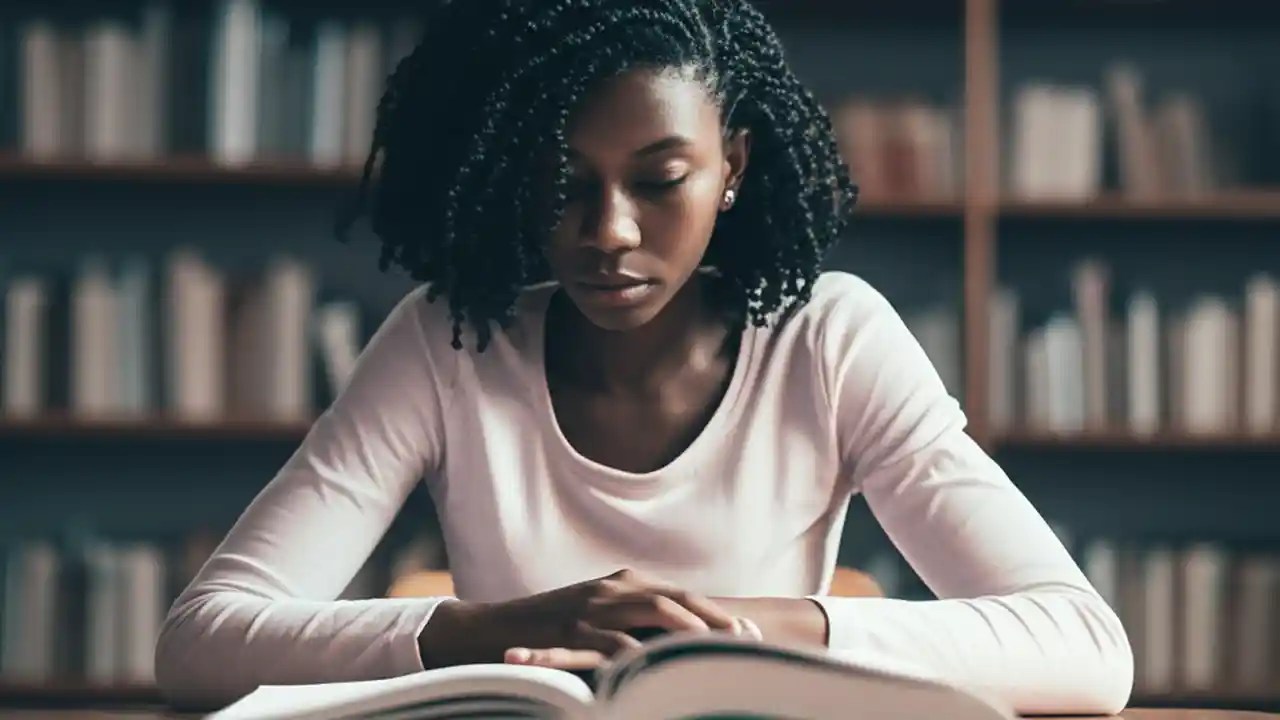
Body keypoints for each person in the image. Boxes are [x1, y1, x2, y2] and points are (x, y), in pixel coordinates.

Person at [154, 0, 1133, 713]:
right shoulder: (445, 340)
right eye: (559, 185)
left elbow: (1085, 649)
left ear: (731, 169)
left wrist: (735, 628)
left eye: (659, 179)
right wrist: (506, 627)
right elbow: (198, 644)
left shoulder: (825, 338)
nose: (608, 232)